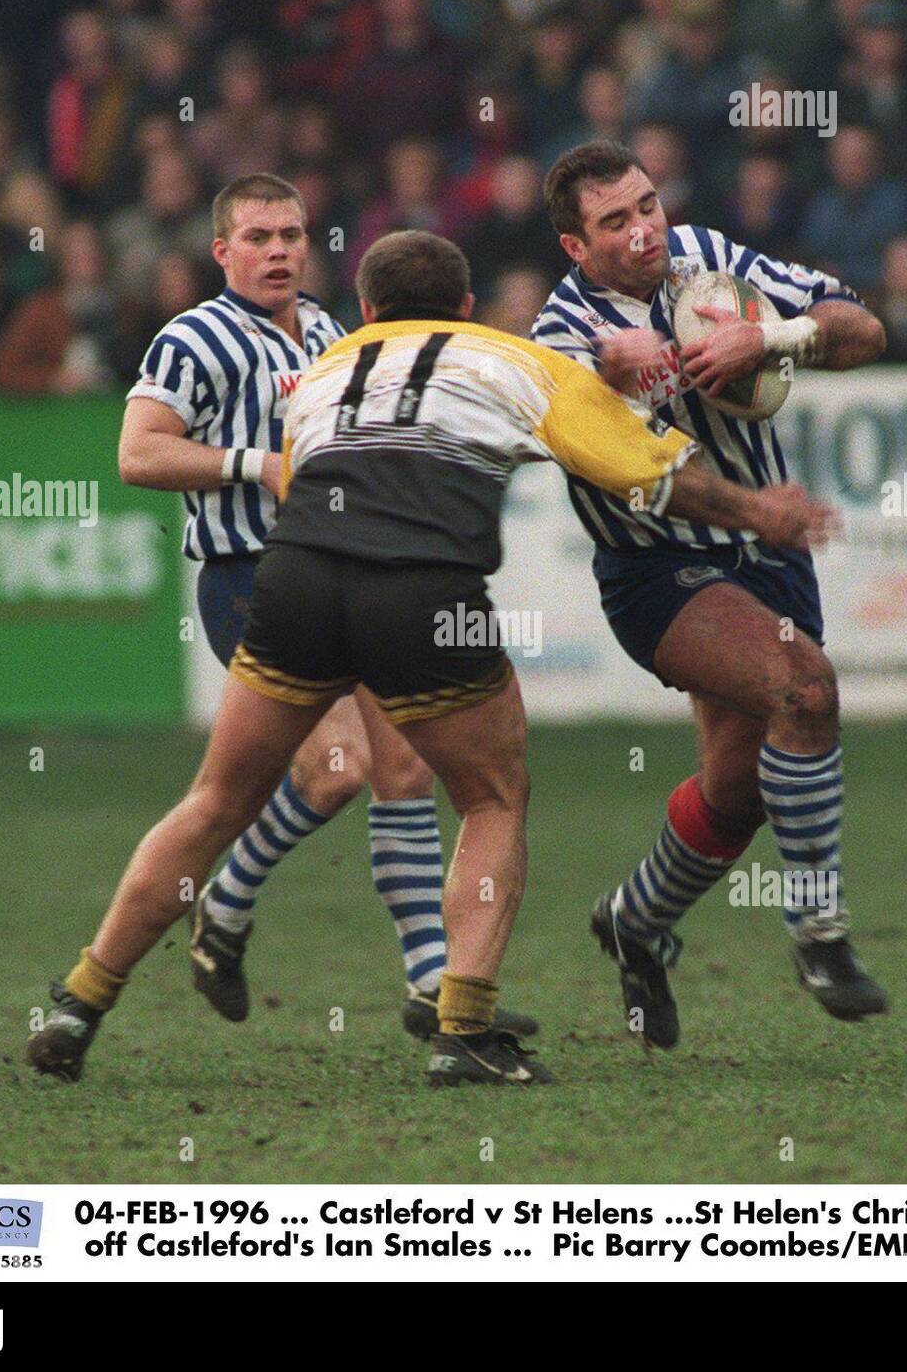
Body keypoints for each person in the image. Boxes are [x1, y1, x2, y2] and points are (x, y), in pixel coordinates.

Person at [27, 228, 837, 1086]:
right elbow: (647, 477)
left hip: (296, 579)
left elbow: (305, 476)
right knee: (492, 796)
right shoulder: (519, 361)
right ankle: (464, 1029)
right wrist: (758, 512)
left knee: (215, 801)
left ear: (368, 310)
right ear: (465, 308)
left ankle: (81, 999)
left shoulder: (323, 371)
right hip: (421, 592)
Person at [44, 174, 537, 1050]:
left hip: (355, 573)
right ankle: (213, 912)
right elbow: (137, 454)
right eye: (259, 236)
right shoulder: (193, 338)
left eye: (292, 234)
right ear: (222, 251)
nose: (279, 250)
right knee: (335, 768)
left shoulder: (329, 333)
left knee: (405, 773)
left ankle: (429, 981)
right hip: (252, 578)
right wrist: (255, 466)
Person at [531, 140, 890, 1048]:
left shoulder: (712, 262)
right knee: (806, 689)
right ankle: (821, 935)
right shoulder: (561, 341)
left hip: (766, 553)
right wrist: (621, 369)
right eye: (615, 221)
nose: (645, 229)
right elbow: (641, 474)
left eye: (648, 204)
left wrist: (769, 335)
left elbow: (864, 330)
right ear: (576, 246)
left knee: (742, 791)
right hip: (661, 570)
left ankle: (633, 923)